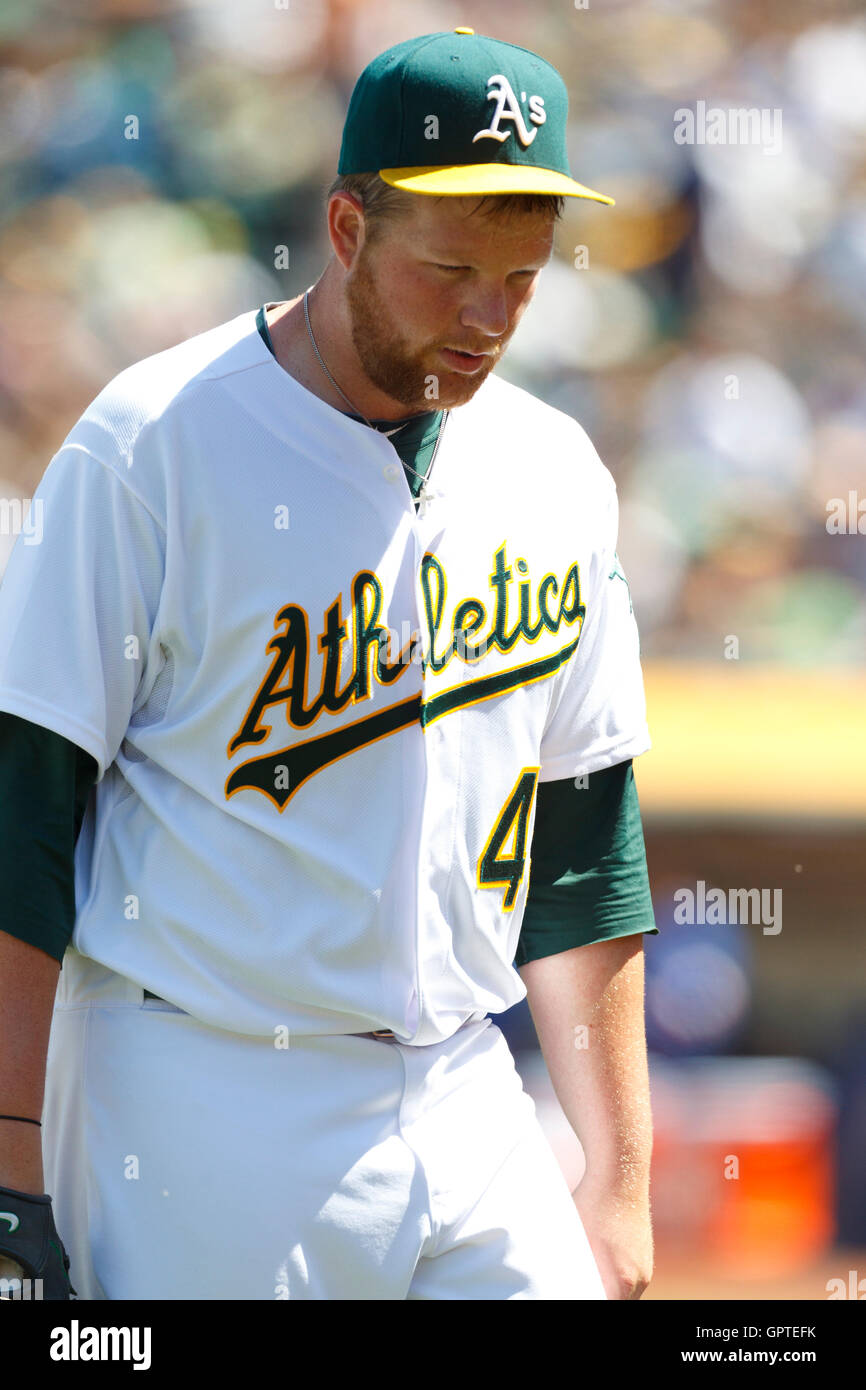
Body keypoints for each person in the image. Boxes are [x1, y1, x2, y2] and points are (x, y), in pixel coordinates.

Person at [0, 27, 657, 1301]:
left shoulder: (552, 467)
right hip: (200, 1077)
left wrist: (617, 1172)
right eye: (451, 268)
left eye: (521, 277)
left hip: (466, 1076)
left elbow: (582, 837)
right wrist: (11, 1163)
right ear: (346, 227)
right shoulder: (152, 444)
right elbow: (22, 818)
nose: (489, 316)